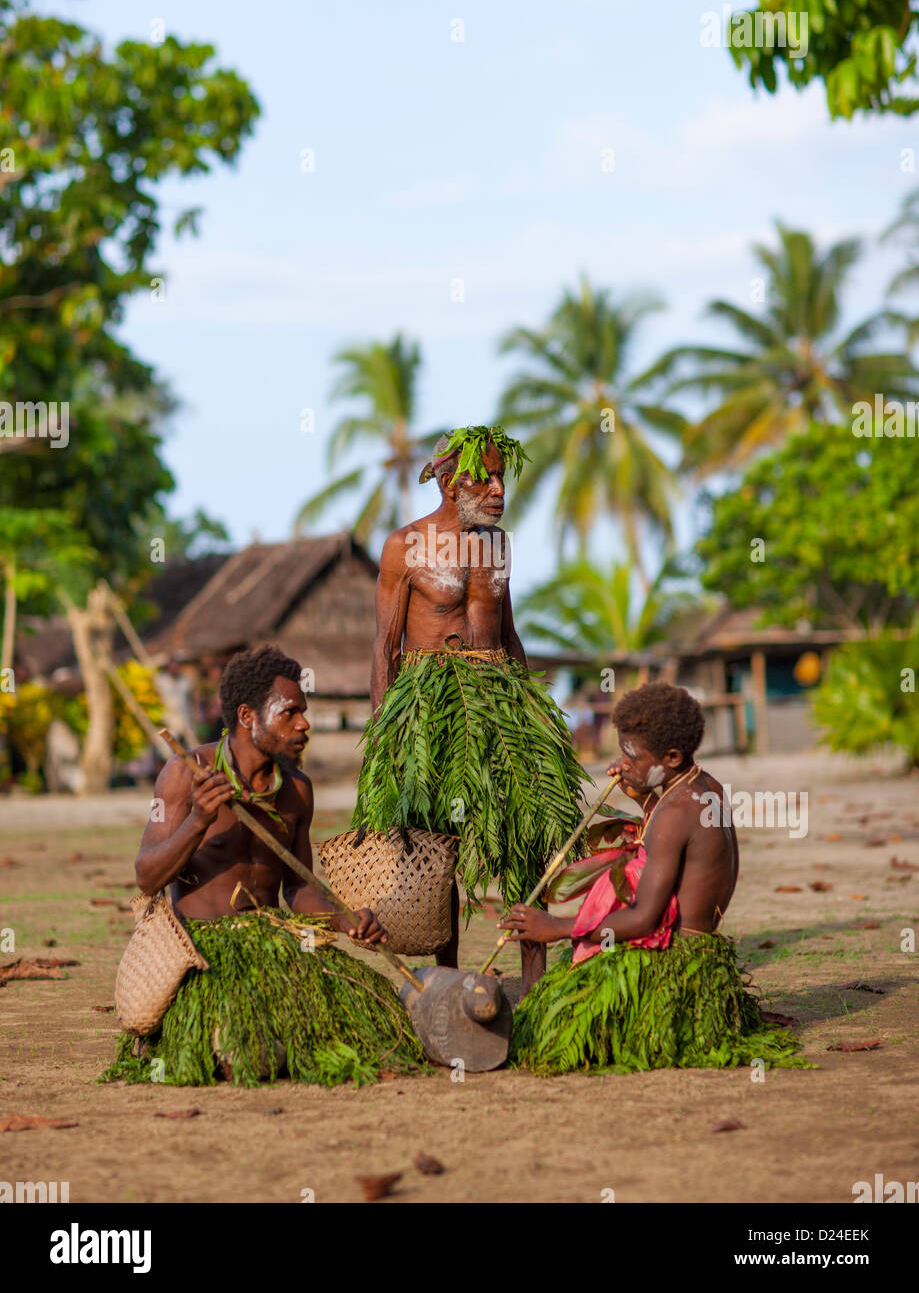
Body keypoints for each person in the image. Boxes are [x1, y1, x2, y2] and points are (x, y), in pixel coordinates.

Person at [103, 644, 424, 1087]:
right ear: (247, 715)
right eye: (289, 712)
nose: (304, 723)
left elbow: (298, 888)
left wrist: (346, 918)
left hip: (272, 939)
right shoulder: (184, 772)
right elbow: (146, 876)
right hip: (201, 951)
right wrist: (198, 820)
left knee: (369, 1023)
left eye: (304, 712)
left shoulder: (296, 790)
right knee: (247, 1058)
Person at [350, 425, 586, 993]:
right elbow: (385, 645)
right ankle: (447, 984)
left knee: (527, 835)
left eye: (503, 476)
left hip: (500, 698)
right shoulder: (404, 546)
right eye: (484, 477)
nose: (499, 489)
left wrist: (535, 711)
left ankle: (535, 987)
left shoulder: (499, 545)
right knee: (437, 847)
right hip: (430, 701)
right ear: (450, 483)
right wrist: (385, 729)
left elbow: (508, 631)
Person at [504, 682, 809, 1073]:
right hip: (699, 952)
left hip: (673, 966)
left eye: (633, 756)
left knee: (541, 1033)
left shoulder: (675, 812)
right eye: (622, 751)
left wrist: (558, 926)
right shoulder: (702, 786)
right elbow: (675, 838)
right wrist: (641, 795)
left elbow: (645, 918)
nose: (623, 763)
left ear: (672, 756)